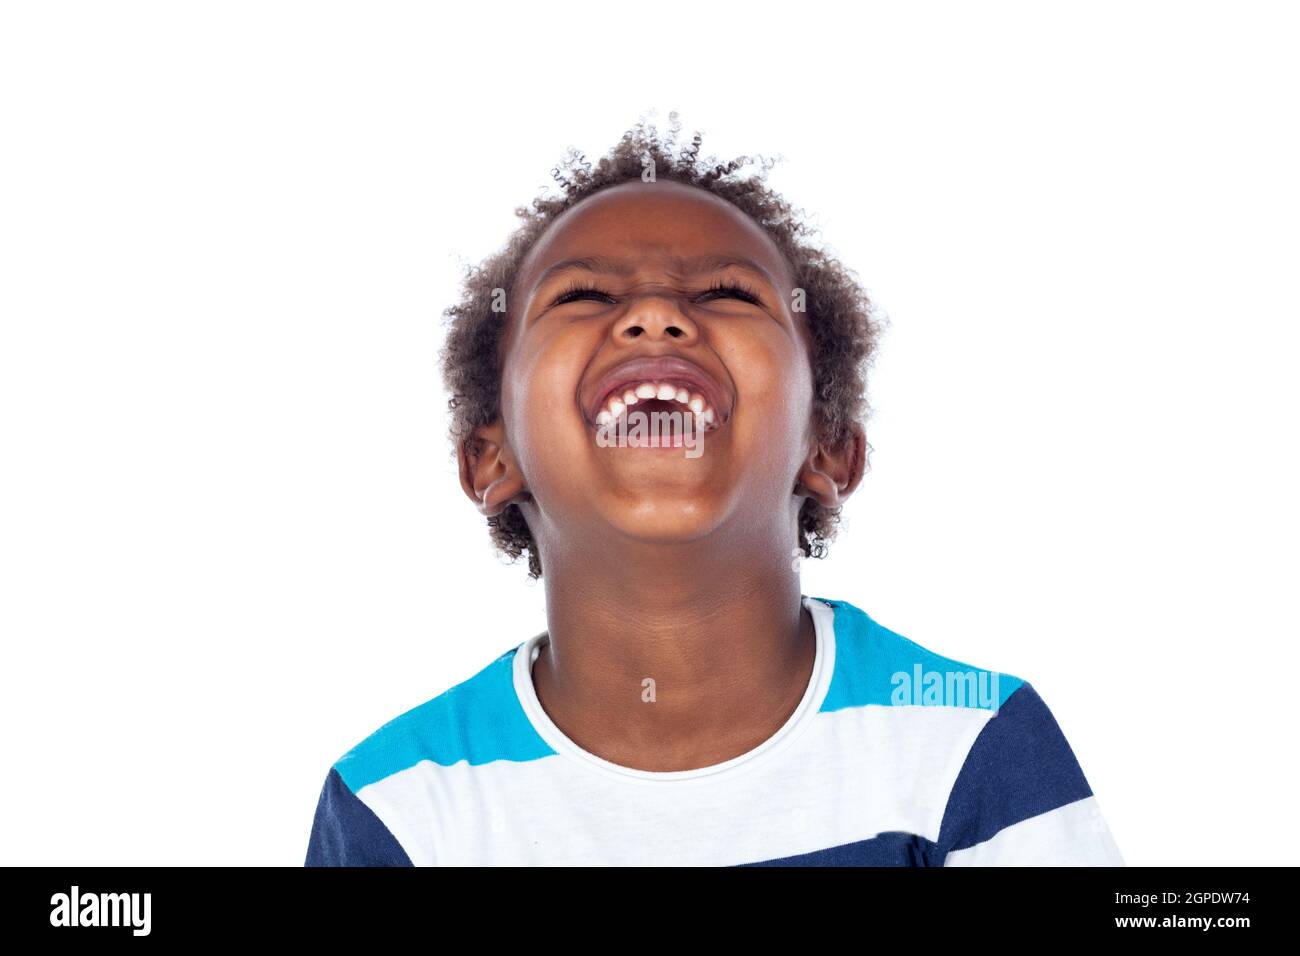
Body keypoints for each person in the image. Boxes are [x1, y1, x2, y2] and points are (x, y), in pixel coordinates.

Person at [304, 112, 1124, 866]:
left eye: (727, 294)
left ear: (829, 448)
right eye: (583, 295)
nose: (656, 315)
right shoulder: (395, 810)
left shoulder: (970, 750)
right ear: (491, 460)